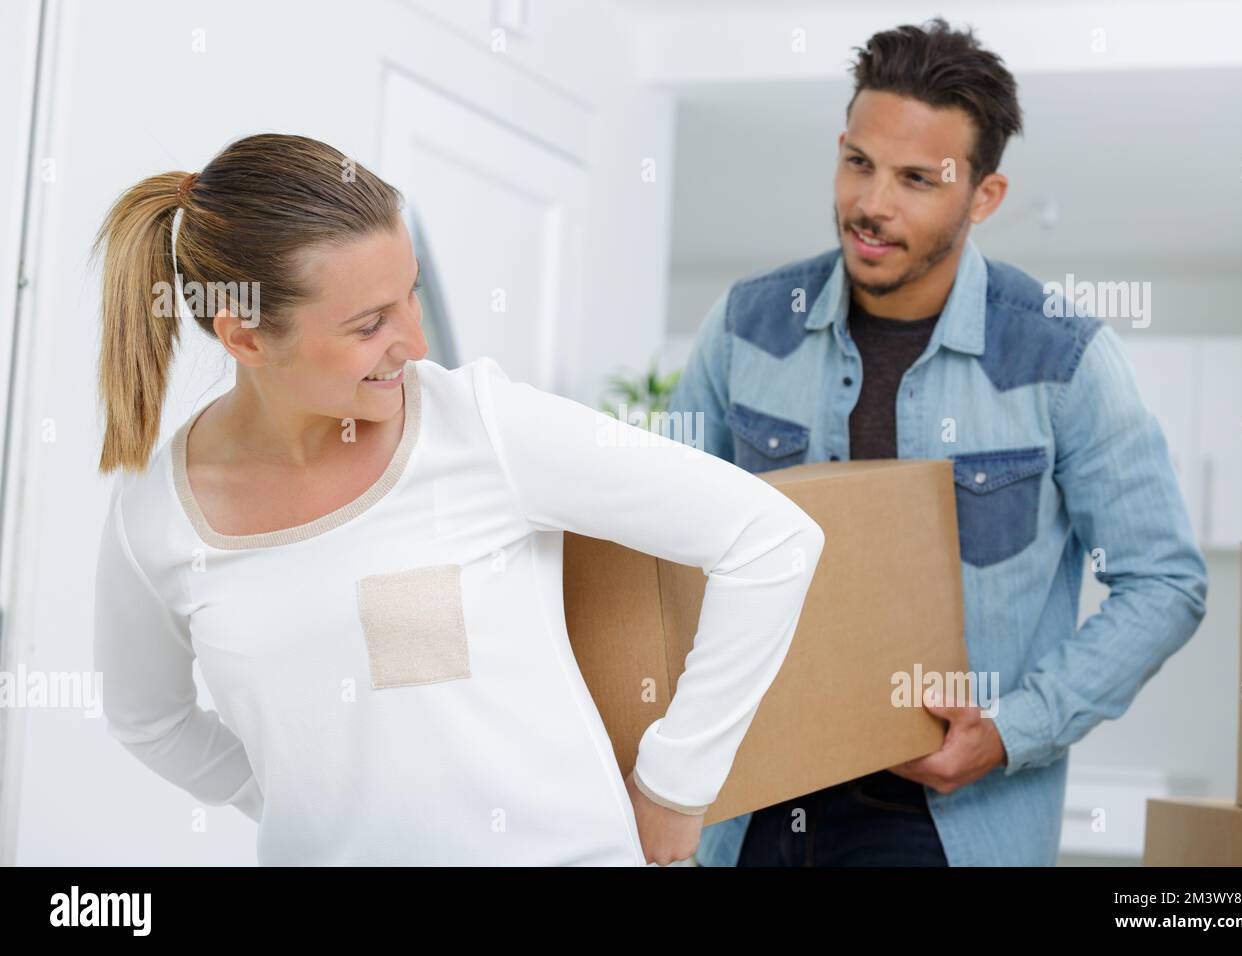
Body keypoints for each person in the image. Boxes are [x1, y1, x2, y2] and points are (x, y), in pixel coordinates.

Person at [90, 133, 824, 866]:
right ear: (245, 338)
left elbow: (769, 541)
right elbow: (148, 721)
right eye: (369, 323)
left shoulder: (479, 425)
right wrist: (296, 802)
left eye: (409, 291)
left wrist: (675, 785)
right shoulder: (156, 519)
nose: (413, 338)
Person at [669, 18, 1208, 866]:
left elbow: (1165, 583)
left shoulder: (1062, 357)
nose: (872, 205)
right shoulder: (744, 328)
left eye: (917, 179)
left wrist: (1005, 732)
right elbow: (666, 543)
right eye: (859, 164)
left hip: (946, 828)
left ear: (983, 196)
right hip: (753, 811)